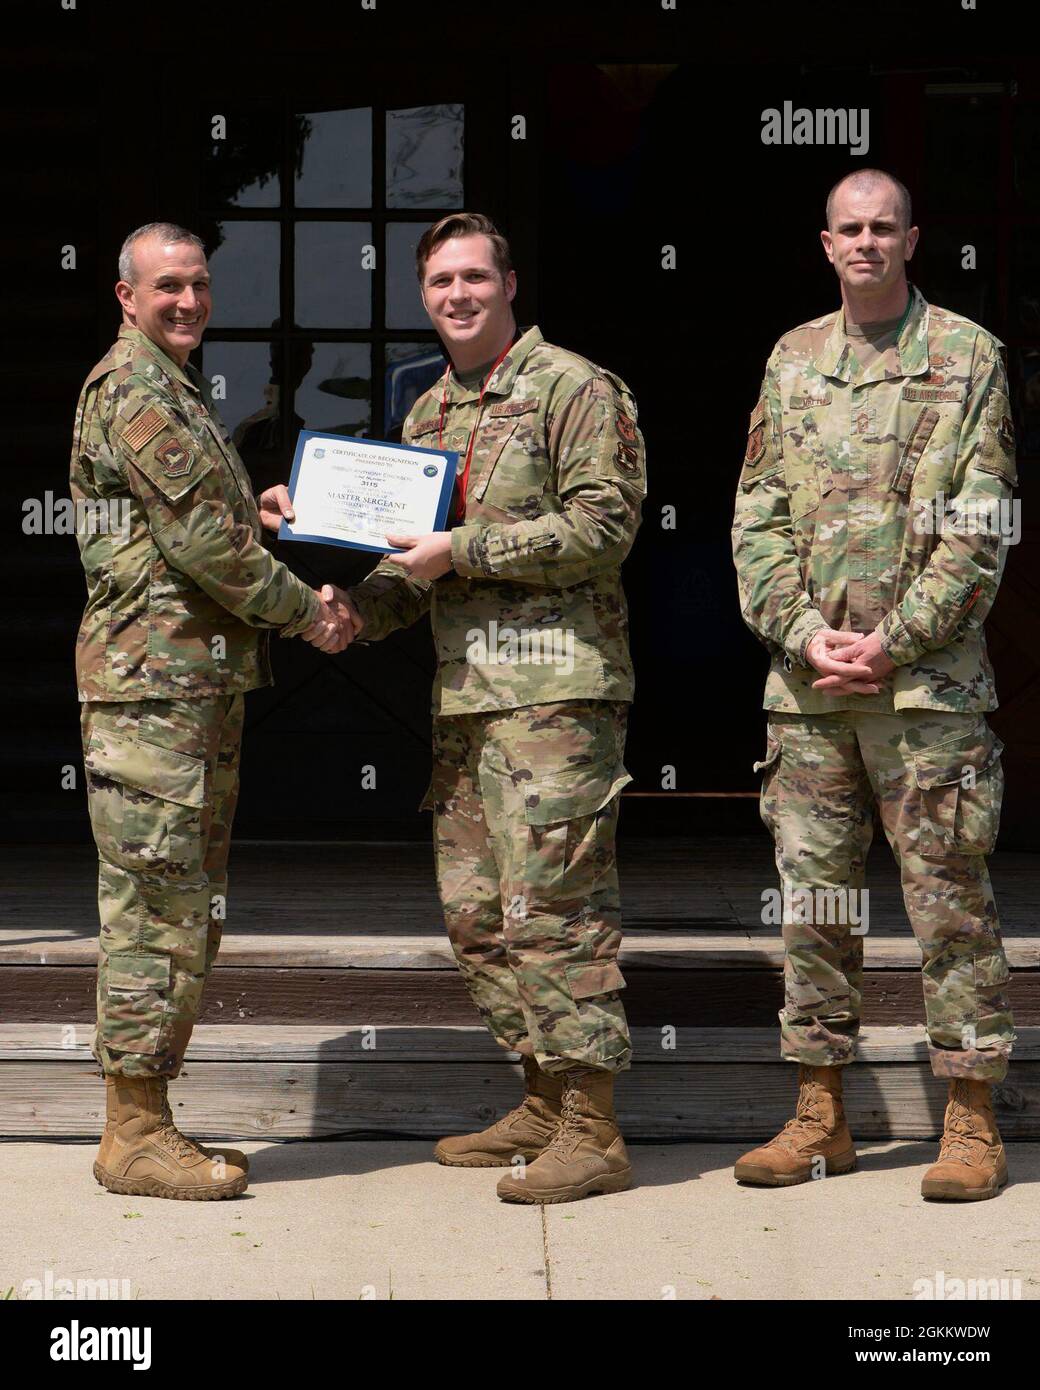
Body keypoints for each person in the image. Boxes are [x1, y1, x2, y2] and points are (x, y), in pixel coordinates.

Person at [262, 212, 646, 1203]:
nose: (457, 295)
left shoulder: (574, 387)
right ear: (424, 295)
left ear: (508, 284)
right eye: (440, 282)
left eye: (474, 276)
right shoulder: (427, 415)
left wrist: (459, 549)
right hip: (468, 703)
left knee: (555, 912)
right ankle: (540, 1096)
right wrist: (342, 607)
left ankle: (594, 1128)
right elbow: (411, 568)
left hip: (557, 694)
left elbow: (603, 527)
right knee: (480, 919)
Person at [731, 170, 1017, 1200]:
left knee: (947, 909)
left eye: (881, 227)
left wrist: (893, 639)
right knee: (814, 906)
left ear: (910, 239)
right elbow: (754, 518)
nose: (864, 242)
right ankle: (818, 1115)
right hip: (807, 698)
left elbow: (980, 529)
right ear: (823, 243)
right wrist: (804, 632)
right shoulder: (790, 359)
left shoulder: (966, 357)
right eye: (847, 229)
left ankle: (970, 1118)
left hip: (925, 695)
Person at [71, 222, 346, 1200]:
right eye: (165, 286)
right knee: (154, 915)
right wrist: (305, 613)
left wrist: (256, 511)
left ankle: (143, 1120)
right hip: (154, 697)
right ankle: (134, 1132)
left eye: (196, 284)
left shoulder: (172, 389)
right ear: (126, 296)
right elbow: (203, 553)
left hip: (184, 691)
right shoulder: (138, 391)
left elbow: (198, 526)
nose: (185, 300)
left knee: (180, 913)